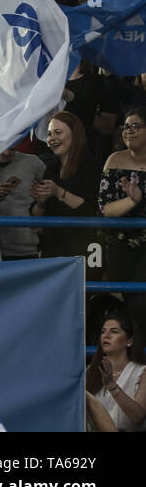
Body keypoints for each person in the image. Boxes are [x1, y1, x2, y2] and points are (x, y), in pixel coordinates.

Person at [31, 111, 101, 277]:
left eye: (58, 132)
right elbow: (37, 218)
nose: (52, 138)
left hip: (82, 248)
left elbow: (91, 209)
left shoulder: (91, 166)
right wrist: (40, 202)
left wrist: (59, 192)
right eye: (49, 134)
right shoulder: (51, 169)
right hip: (53, 248)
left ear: (75, 134)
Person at [99, 109, 146, 334]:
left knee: (138, 303)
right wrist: (132, 200)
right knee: (125, 307)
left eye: (136, 126)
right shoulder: (114, 160)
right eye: (126, 126)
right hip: (119, 244)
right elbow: (105, 209)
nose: (129, 131)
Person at [85, 310, 146, 431]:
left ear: (129, 341)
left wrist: (111, 385)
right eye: (103, 331)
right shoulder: (90, 372)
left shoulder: (142, 372)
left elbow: (137, 416)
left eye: (114, 332)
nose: (106, 336)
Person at [0, 144, 47, 260]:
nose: (6, 153)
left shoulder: (32, 162)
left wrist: (44, 223)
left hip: (28, 249)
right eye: (2, 147)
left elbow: (51, 194)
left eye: (12, 148)